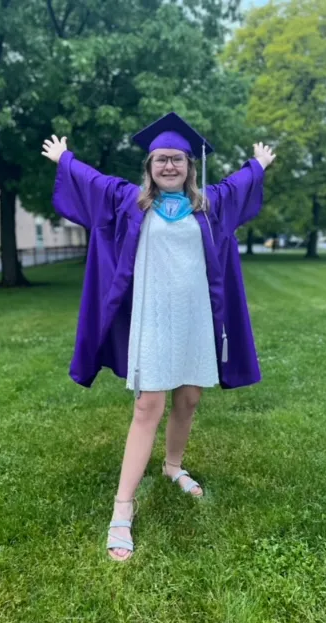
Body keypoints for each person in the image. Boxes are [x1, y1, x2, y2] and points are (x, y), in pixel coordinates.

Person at [42, 112, 276, 562]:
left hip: (195, 320)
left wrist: (259, 165)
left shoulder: (209, 206)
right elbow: (92, 182)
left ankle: (171, 468)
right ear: (149, 167)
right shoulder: (129, 202)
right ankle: (122, 509)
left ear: (189, 166)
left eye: (177, 160)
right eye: (160, 160)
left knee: (188, 399)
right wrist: (65, 159)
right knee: (148, 405)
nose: (169, 166)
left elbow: (240, 184)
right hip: (151, 320)